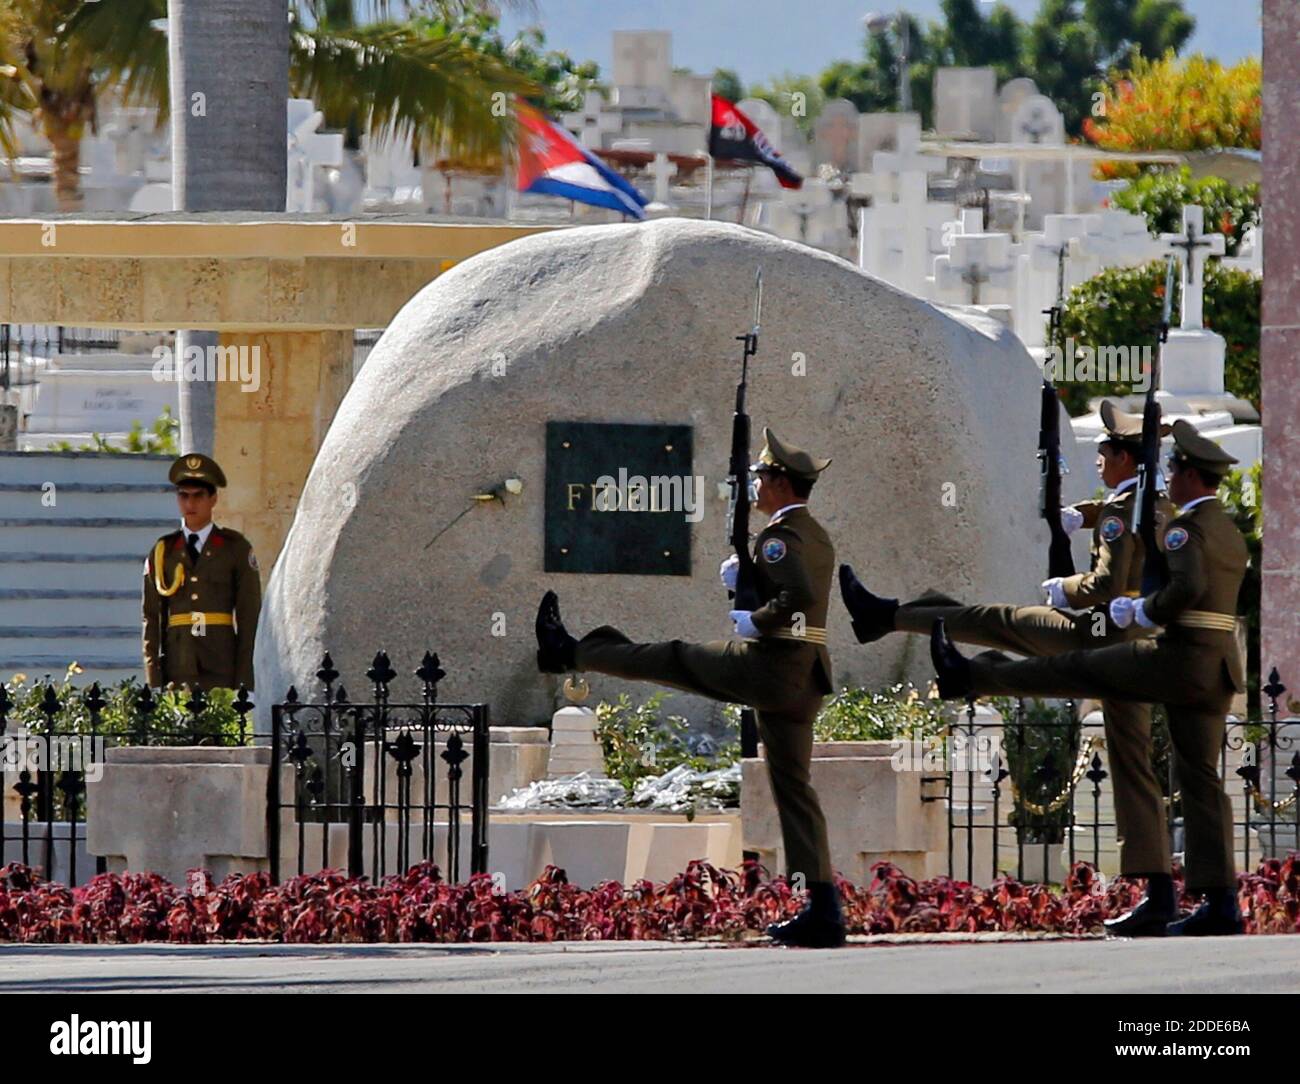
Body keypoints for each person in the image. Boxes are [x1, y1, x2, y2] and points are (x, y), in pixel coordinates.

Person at [839, 401, 1179, 936]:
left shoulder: (1122, 513)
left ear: (1123, 458)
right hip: (1135, 646)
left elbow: (1106, 585)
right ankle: (1159, 892)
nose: (1097, 460)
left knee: (995, 620)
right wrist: (1083, 515)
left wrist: (1064, 588)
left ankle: (888, 617)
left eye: (1104, 452)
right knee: (1133, 767)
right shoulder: (1157, 504)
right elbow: (1132, 532)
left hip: (1094, 635)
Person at [929, 420, 1248, 936]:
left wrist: (1140, 611)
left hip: (1178, 658)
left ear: (1189, 475)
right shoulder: (1226, 529)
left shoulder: (1183, 528)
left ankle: (971, 675)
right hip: (1217, 666)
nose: (1169, 477)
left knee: (1082, 668)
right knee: (1200, 782)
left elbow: (1185, 588)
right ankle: (1219, 903)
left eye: (1174, 469)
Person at [535, 428, 844, 947]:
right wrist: (741, 584)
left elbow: (796, 596)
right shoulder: (815, 534)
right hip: (805, 677)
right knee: (795, 791)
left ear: (783, 483)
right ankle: (824, 909)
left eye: (762, 476)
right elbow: (802, 596)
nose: (756, 484)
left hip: (767, 668)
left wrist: (754, 620)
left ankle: (570, 652)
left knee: (671, 657)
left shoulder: (776, 539)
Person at [142, 454, 261, 692]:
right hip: (178, 666)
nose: (190, 504)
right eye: (183, 496)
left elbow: (250, 616)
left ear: (213, 499)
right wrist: (154, 679)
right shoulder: (163, 550)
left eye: (198, 496)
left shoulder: (234, 547)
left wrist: (244, 680)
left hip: (221, 664)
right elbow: (151, 618)